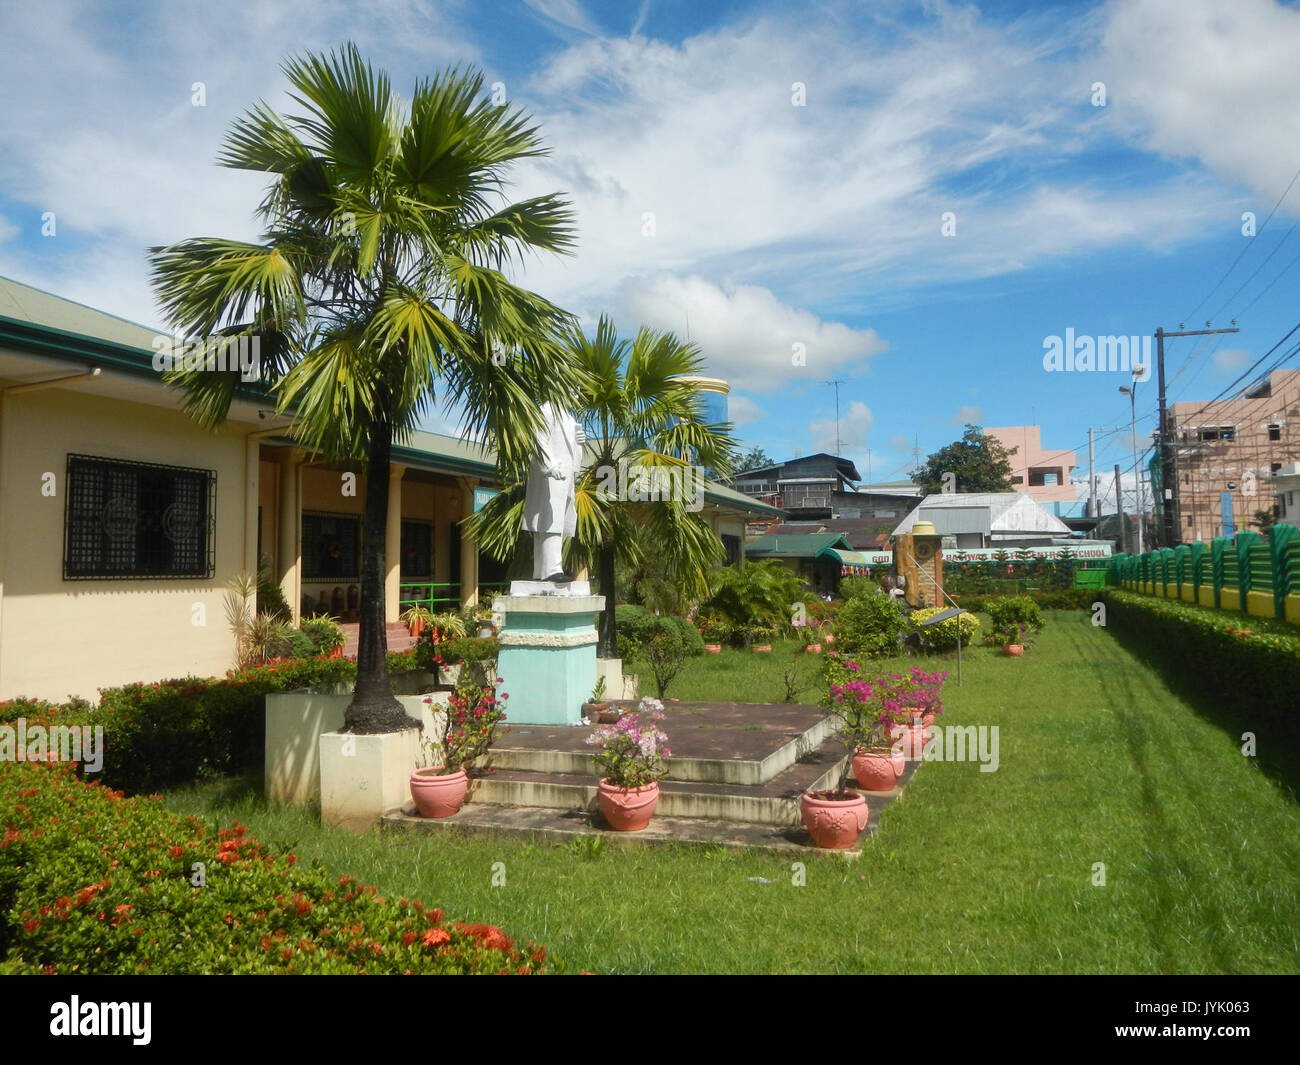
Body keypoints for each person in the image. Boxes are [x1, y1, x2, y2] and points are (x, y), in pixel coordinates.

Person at [522, 401, 584, 581]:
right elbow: (538, 439)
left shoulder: (570, 417)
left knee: (555, 521)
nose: (576, 391)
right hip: (550, 475)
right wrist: (549, 465)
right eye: (573, 385)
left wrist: (578, 442)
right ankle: (551, 570)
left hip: (565, 476)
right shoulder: (548, 409)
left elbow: (572, 452)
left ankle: (540, 572)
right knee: (550, 522)